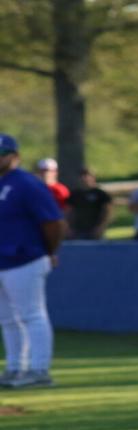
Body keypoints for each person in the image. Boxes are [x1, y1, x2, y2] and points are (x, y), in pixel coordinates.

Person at [0, 134, 65, 389]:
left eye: (3, 152)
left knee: (32, 315)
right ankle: (15, 367)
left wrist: (48, 251)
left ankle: (39, 370)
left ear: (15, 156)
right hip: (2, 260)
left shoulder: (27, 183)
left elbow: (54, 222)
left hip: (25, 257)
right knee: (6, 319)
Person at [68, 168, 115, 240]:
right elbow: (68, 212)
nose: (84, 178)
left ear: (93, 177)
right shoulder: (74, 194)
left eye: (87, 175)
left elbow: (108, 212)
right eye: (82, 175)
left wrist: (100, 228)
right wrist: (70, 229)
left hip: (95, 232)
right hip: (78, 232)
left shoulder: (101, 194)